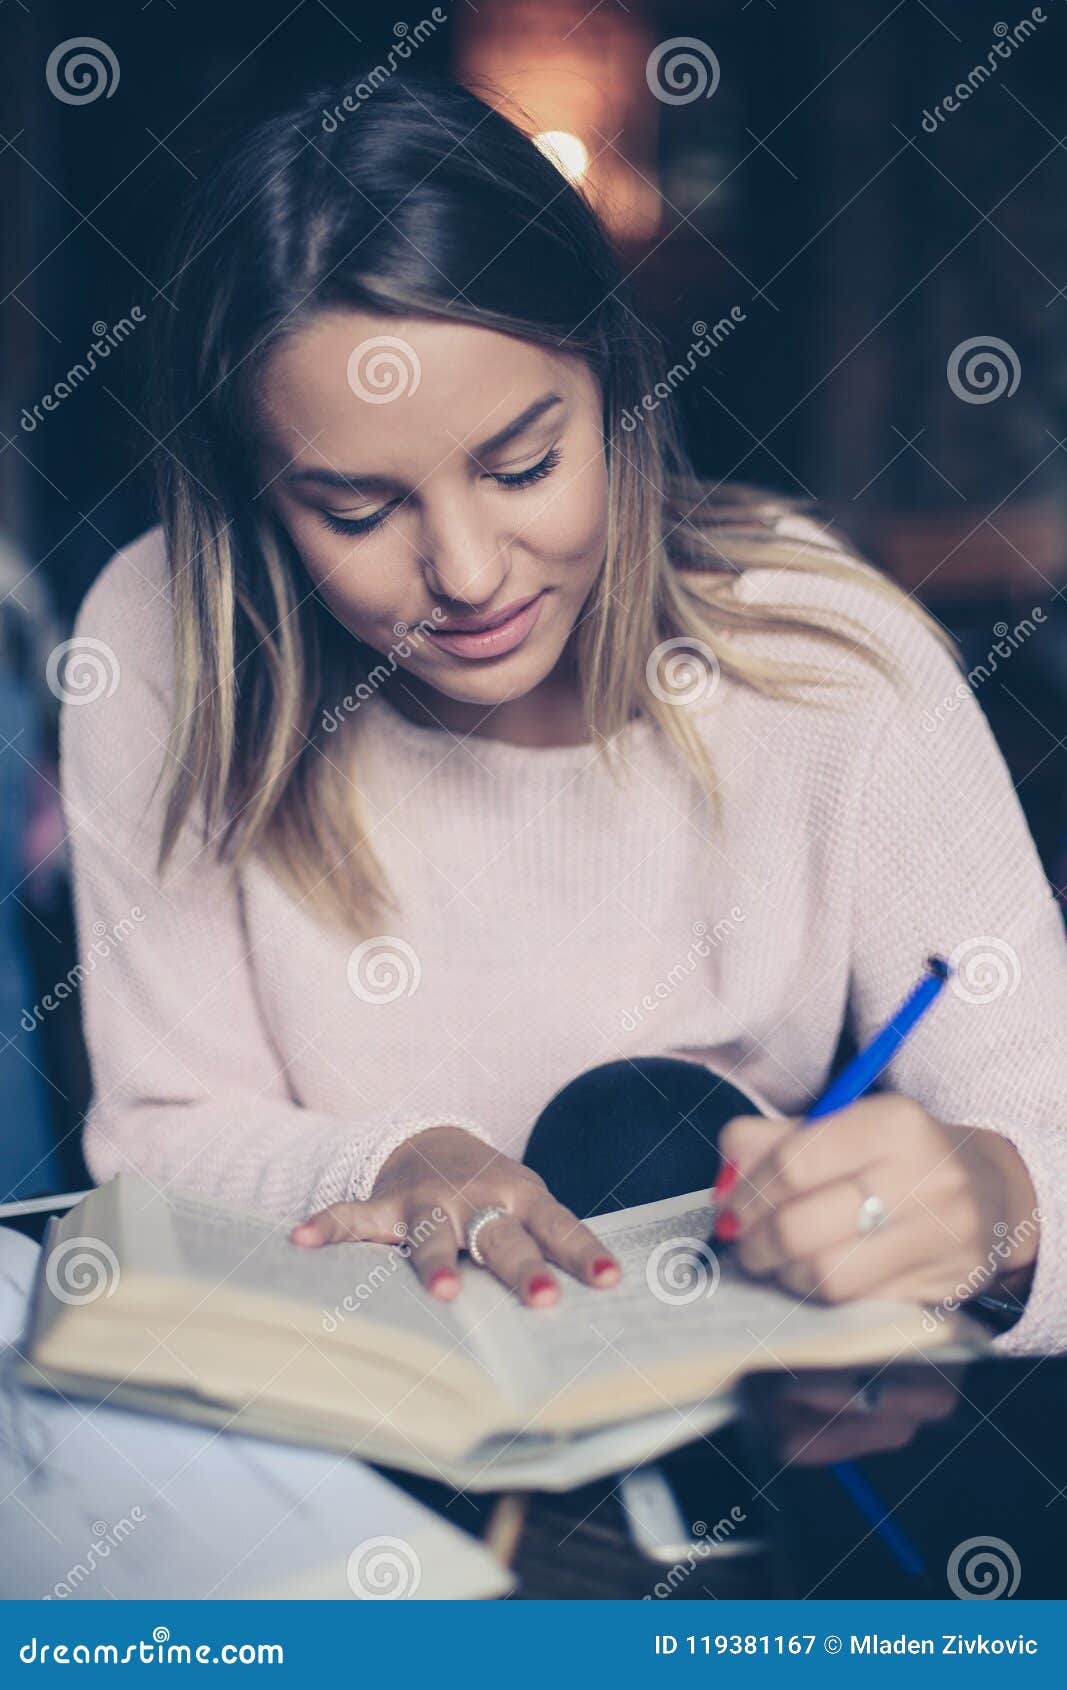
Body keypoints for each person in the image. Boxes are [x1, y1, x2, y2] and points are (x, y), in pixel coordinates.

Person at [60, 75, 1067, 1348]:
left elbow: (1048, 1138)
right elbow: (153, 1137)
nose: (470, 573)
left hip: (759, 1451)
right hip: (363, 1437)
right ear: (253, 490)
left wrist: (995, 1205)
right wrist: (387, 1162)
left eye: (523, 464)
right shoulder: (160, 641)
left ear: (616, 392)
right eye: (357, 511)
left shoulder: (830, 665)